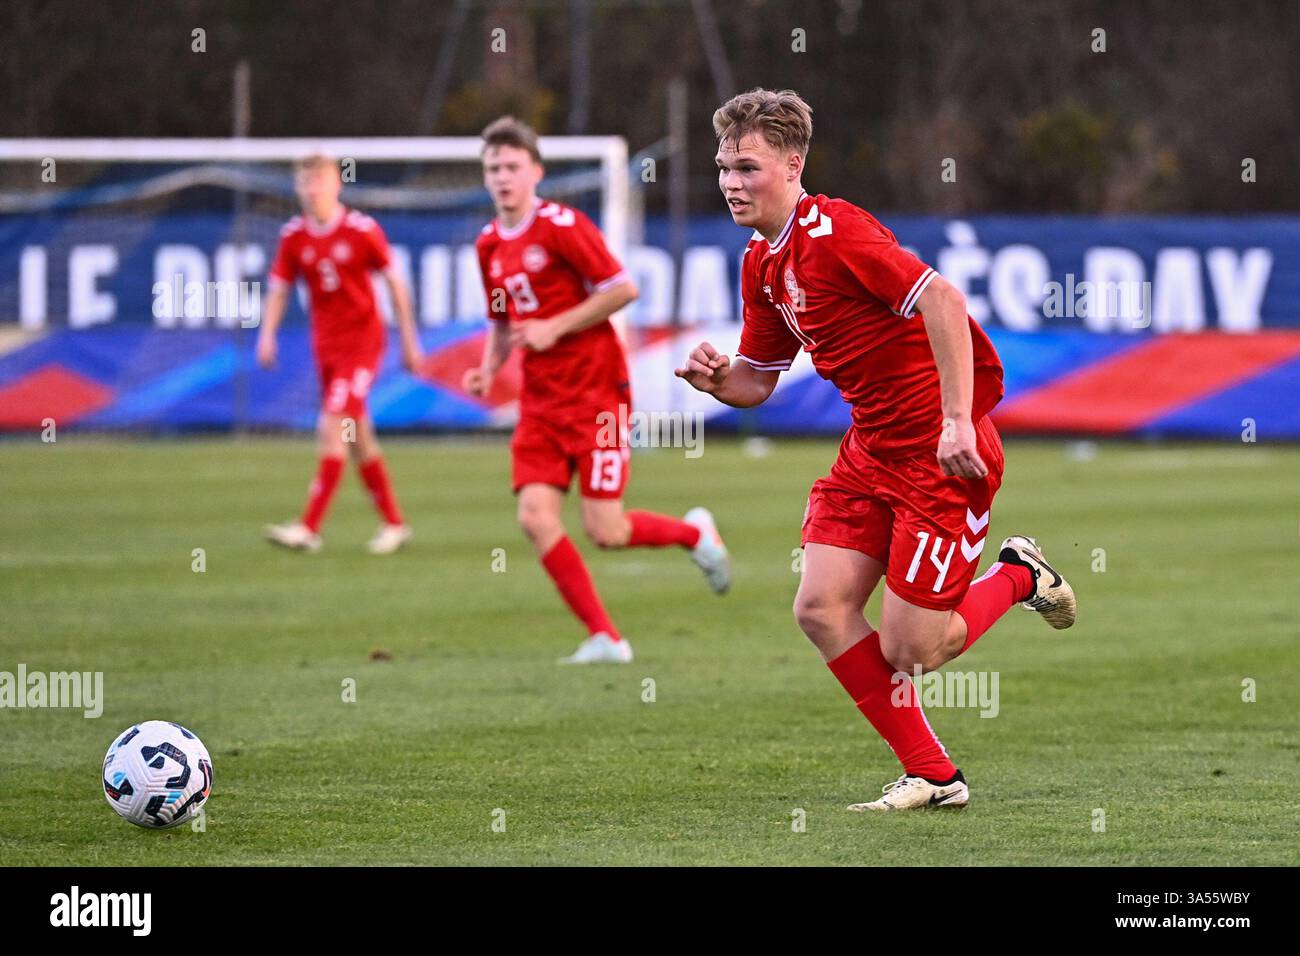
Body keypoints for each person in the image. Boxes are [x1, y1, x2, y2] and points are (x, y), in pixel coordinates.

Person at [676, 89, 1076, 810]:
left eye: (746, 166)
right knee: (820, 608)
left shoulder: (837, 232)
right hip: (870, 453)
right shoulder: (762, 264)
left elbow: (943, 302)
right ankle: (933, 774)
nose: (731, 182)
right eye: (722, 168)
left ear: (793, 164)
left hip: (942, 456)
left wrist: (957, 421)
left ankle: (1020, 573)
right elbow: (757, 381)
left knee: (913, 651)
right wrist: (716, 382)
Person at [464, 116, 731, 664]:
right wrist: (490, 368)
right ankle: (607, 638)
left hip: (596, 396)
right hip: (540, 401)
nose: (503, 177)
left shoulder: (562, 225)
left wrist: (556, 326)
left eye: (513, 166)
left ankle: (693, 534)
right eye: (494, 168)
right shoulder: (489, 244)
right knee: (535, 518)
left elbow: (621, 288)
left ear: (535, 171)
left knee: (605, 529)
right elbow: (500, 318)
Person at [258, 154, 423, 554]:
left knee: (333, 425)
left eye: (319, 181)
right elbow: (280, 288)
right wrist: (267, 334)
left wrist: (409, 340)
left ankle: (309, 527)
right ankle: (395, 524)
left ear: (337, 185)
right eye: (305, 183)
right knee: (357, 434)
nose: (311, 190)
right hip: (326, 347)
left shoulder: (361, 230)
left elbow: (395, 284)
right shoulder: (294, 236)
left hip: (363, 344)